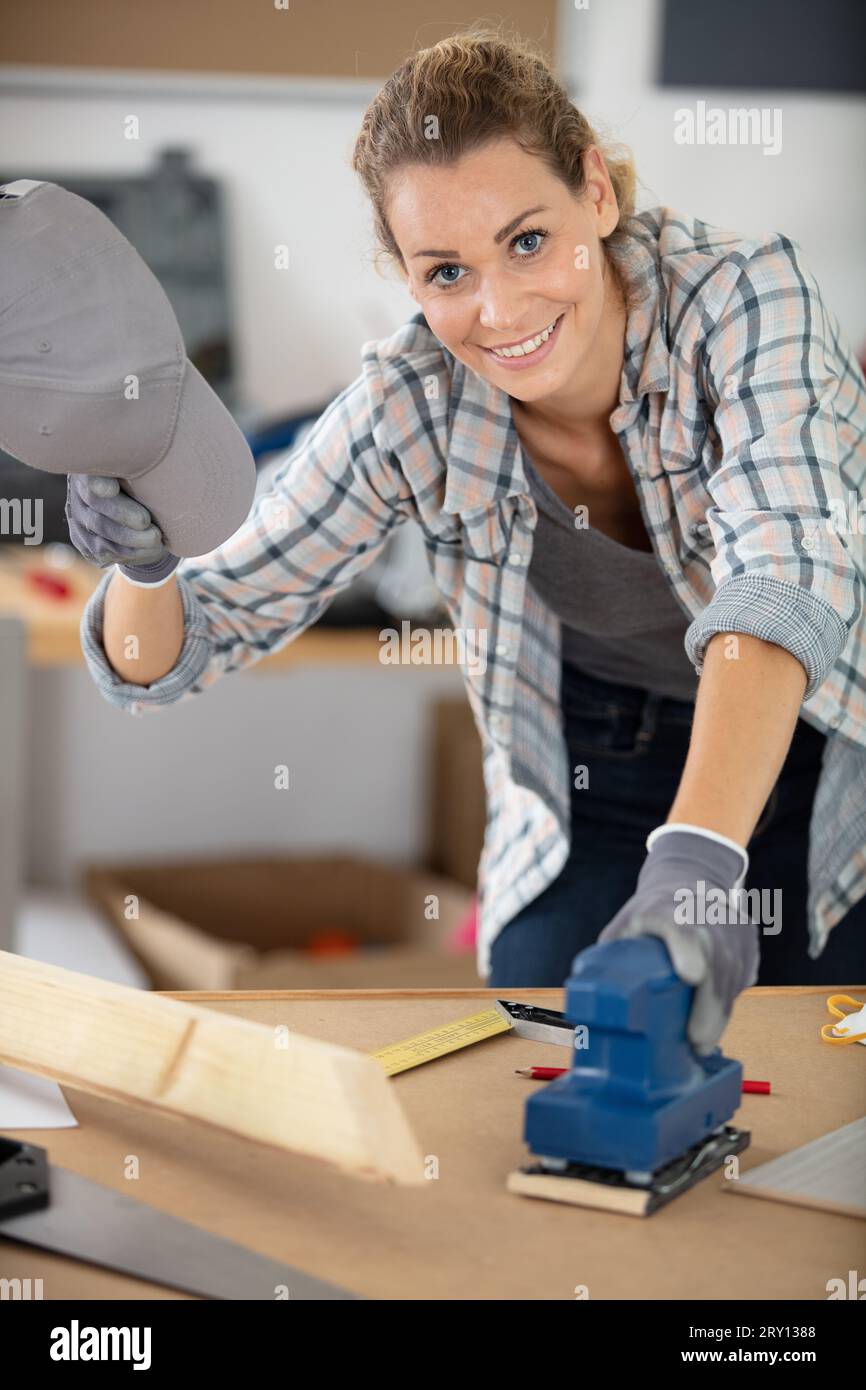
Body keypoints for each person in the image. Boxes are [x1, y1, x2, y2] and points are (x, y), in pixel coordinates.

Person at [71, 27, 866, 1056]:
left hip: (812, 753)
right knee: (542, 1068)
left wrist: (694, 867)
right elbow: (181, 646)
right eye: (446, 270)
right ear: (404, 276)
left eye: (527, 240)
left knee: (811, 1085)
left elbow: (782, 573)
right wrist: (147, 565)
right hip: (590, 770)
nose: (499, 309)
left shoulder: (743, 300)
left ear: (595, 191)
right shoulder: (413, 404)